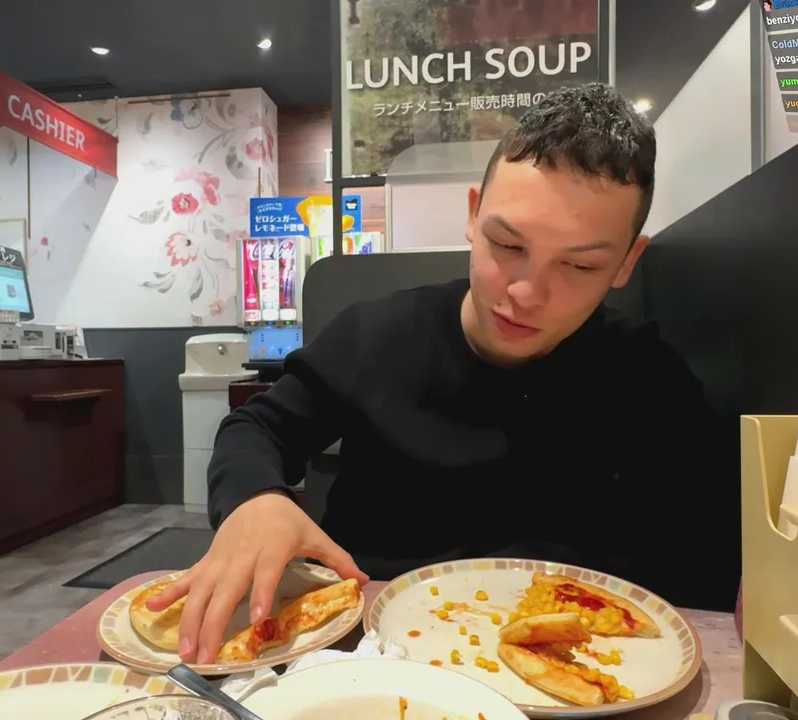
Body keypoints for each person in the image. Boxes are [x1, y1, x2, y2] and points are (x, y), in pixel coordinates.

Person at [149, 83, 740, 664]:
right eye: (507, 245)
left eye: (580, 265)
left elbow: (705, 551)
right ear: (473, 214)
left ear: (626, 262)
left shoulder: (646, 375)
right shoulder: (376, 335)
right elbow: (257, 428)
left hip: (570, 660)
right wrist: (255, 501)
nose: (527, 292)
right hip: (371, 654)